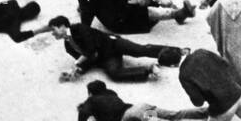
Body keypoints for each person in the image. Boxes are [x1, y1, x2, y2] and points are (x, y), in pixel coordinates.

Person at [44, 16, 184, 82]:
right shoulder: (68, 46)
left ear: (63, 25)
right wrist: (79, 70)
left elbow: (90, 50)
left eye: (53, 29)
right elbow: (89, 60)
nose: (53, 33)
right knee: (115, 74)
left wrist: (76, 65)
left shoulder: (79, 28)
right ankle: (148, 70)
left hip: (112, 44)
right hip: (106, 57)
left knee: (140, 50)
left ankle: (177, 51)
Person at [73, 79, 205, 121]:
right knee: (174, 114)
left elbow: (84, 112)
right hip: (139, 107)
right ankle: (206, 111)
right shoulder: (110, 93)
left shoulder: (91, 101)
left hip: (130, 118)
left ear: (90, 93)